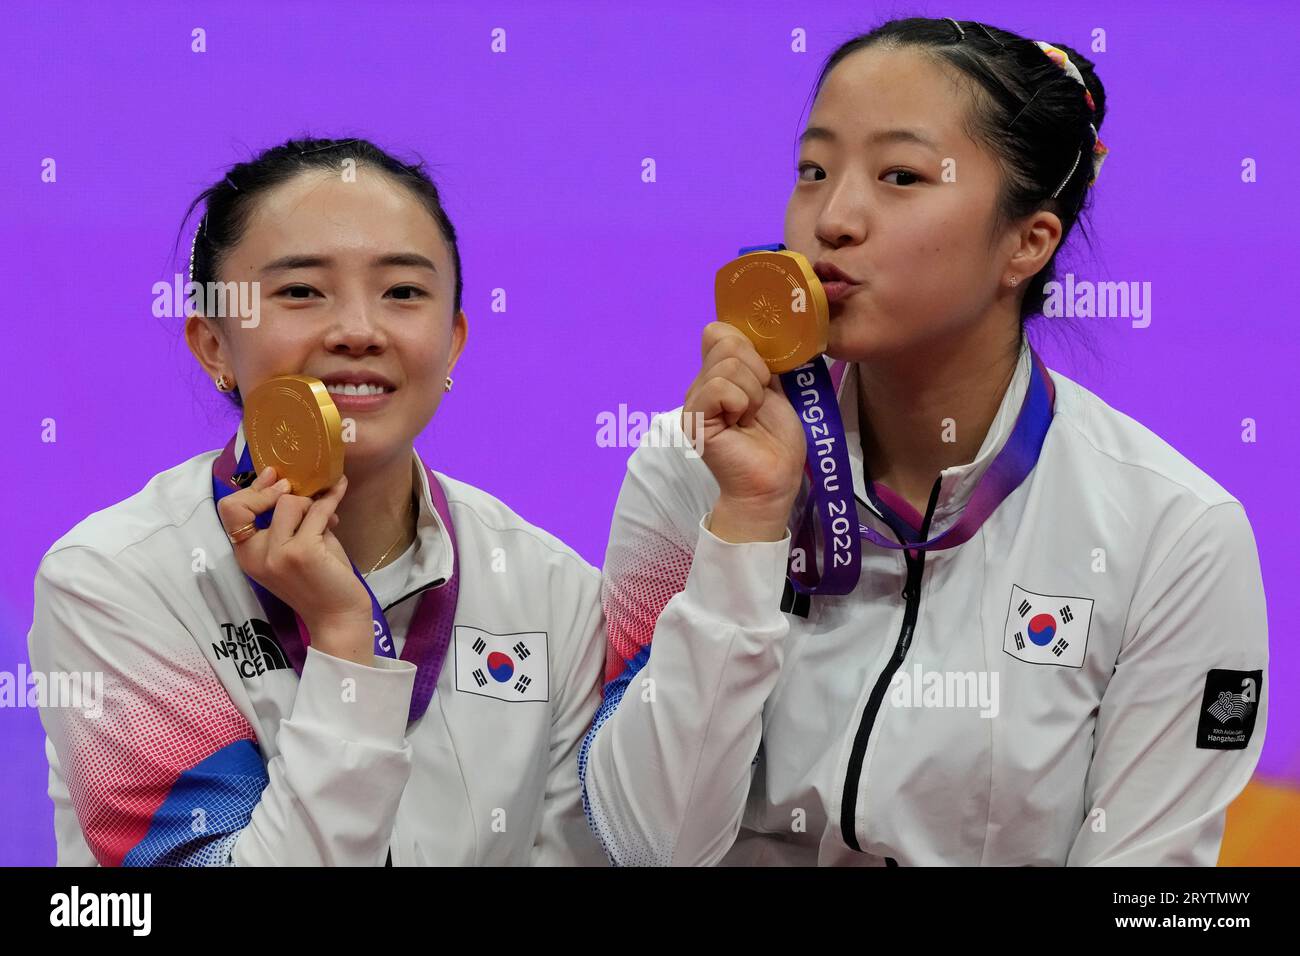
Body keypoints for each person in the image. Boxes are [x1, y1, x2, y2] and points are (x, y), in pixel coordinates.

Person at [578, 17, 1268, 866]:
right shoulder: (698, 465)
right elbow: (645, 846)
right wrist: (749, 525)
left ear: (1027, 243)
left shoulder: (1175, 534)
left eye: (901, 175)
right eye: (813, 170)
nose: (832, 218)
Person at [28, 137, 607, 866]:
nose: (359, 331)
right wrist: (343, 638)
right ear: (213, 344)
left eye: (403, 291)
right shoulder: (115, 581)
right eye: (301, 291)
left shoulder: (552, 592)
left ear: (454, 342)